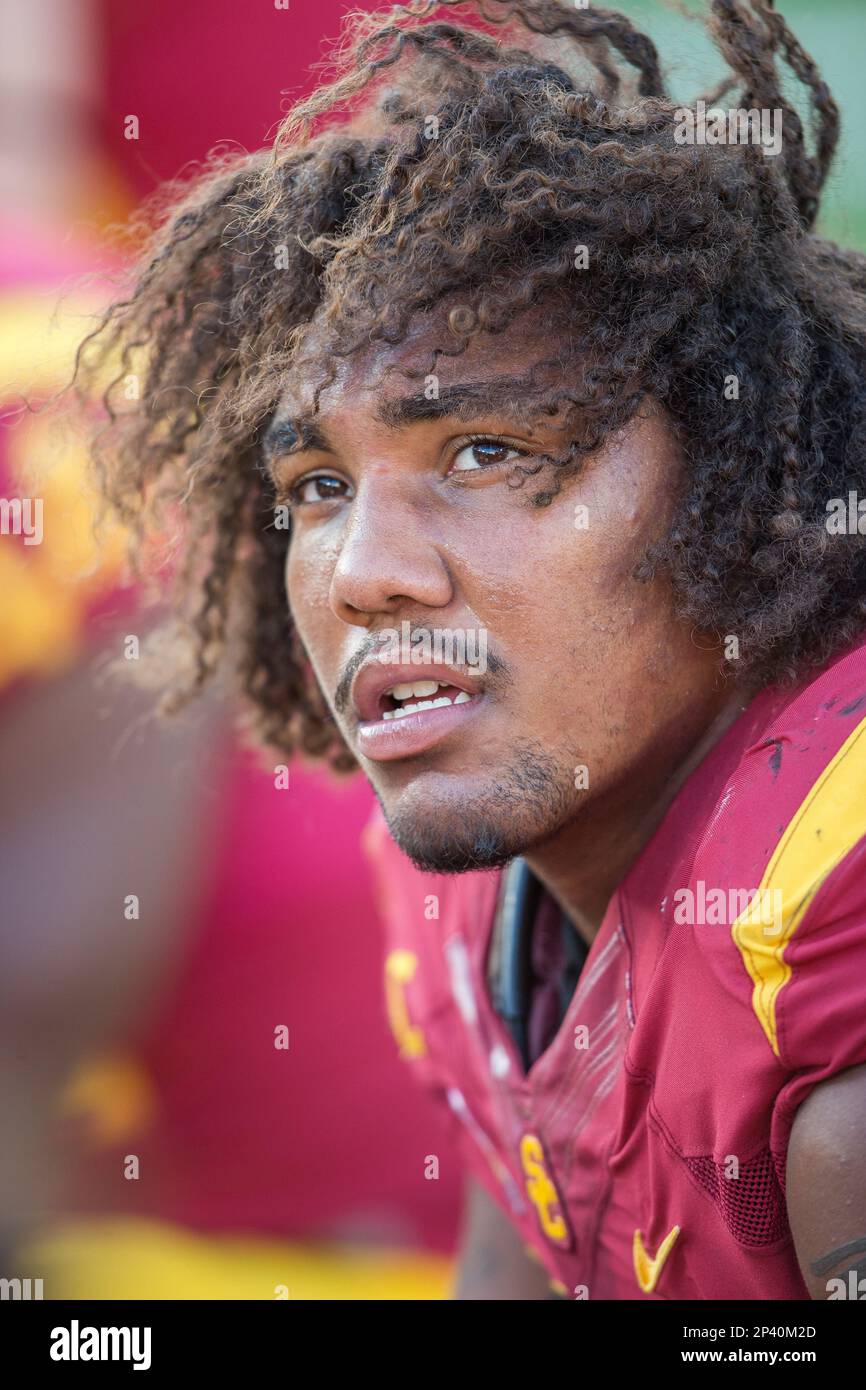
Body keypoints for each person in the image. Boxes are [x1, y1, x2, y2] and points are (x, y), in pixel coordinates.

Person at [74, 0, 866, 1299]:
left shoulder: (829, 1034)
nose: (367, 569)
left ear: (743, 475)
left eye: (486, 454)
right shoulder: (471, 864)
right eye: (318, 487)